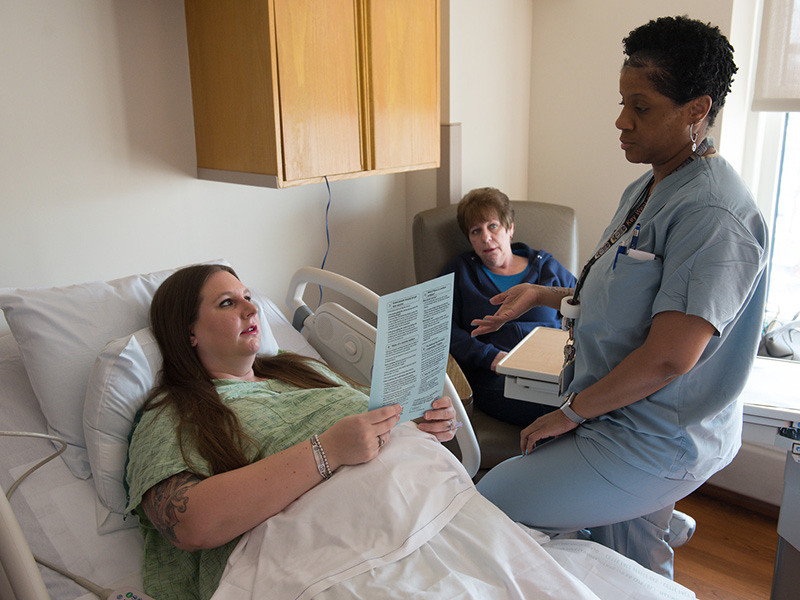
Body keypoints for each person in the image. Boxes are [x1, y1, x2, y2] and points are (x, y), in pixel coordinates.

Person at [473, 16, 767, 579]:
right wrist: (545, 292)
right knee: (628, 558)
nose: (621, 121)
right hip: (619, 411)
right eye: (622, 102)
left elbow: (669, 356)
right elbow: (629, 298)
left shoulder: (711, 212)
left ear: (696, 110)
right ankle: (644, 534)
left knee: (492, 503)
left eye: (642, 106)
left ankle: (641, 514)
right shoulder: (653, 181)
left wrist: (570, 413)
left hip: (653, 436)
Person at [124, 264, 458, 600]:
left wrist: (419, 423)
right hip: (333, 556)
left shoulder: (300, 369)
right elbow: (189, 525)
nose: (252, 308)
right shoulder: (172, 413)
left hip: (432, 511)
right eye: (227, 303)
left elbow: (369, 427)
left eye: (249, 298)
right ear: (189, 332)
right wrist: (328, 451)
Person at [441, 187, 576, 426]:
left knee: (589, 396)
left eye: (492, 226)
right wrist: (490, 357)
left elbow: (586, 307)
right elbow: (441, 331)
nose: (485, 237)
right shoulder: (460, 272)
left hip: (552, 369)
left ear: (510, 228)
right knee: (565, 408)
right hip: (494, 374)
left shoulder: (548, 269)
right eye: (475, 231)